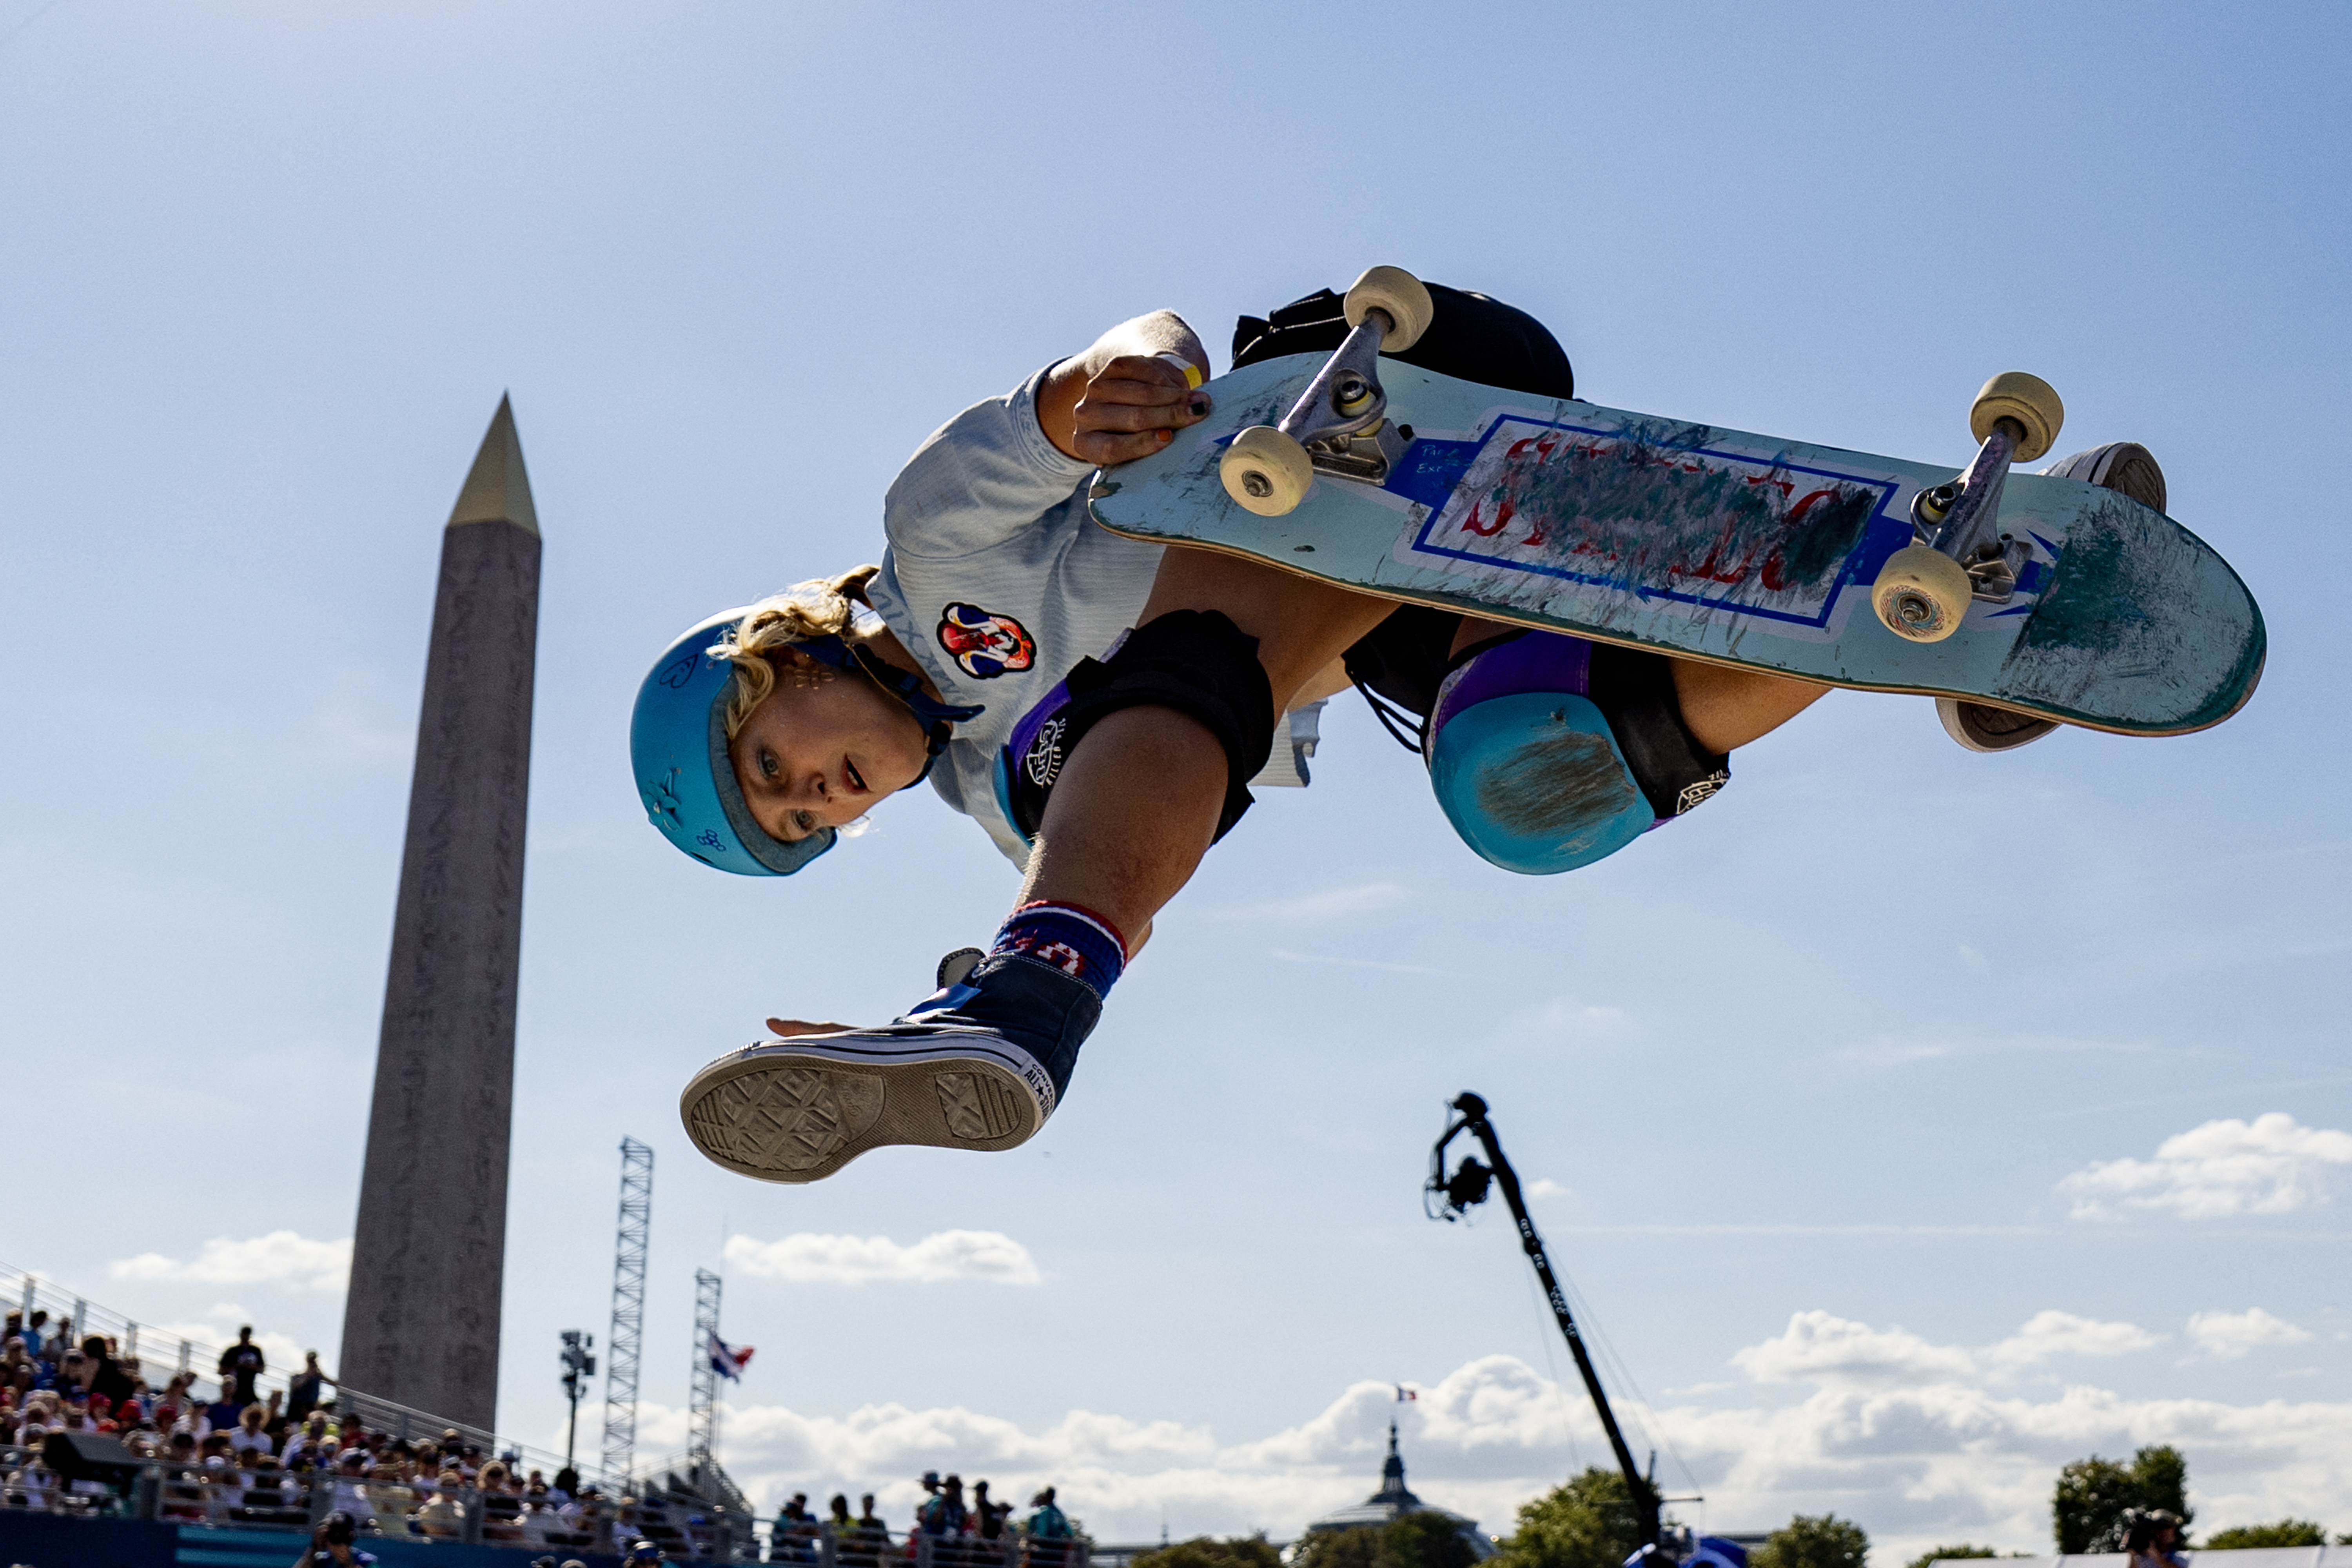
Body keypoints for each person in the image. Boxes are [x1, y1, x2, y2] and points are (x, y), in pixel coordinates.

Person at [635, 281, 2172, 1185]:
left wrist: (1118, 380)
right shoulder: (996, 794)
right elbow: (1128, 876)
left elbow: (1125, 349)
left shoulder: (928, 543)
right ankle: (1978, 581)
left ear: (774, 656)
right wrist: (949, 993)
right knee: (1522, 780)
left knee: (1152, 689)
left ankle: (1033, 1004)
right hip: (1400, 608)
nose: (818, 796)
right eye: (803, 826)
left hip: (1351, 397)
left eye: (773, 761)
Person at [218, 1326, 265, 1405]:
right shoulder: (232, 1351)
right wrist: (237, 1366)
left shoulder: (255, 1351)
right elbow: (221, 1370)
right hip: (233, 1390)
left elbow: (262, 1369)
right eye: (244, 1334)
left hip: (249, 1389)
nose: (245, 1336)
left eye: (247, 1334)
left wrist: (251, 1366)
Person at [287, 1350, 333, 1421]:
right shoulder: (297, 1376)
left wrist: (320, 1374)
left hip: (311, 1407)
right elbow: (297, 1385)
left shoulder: (317, 1377)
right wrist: (308, 1375)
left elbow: (332, 1382)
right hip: (298, 1407)